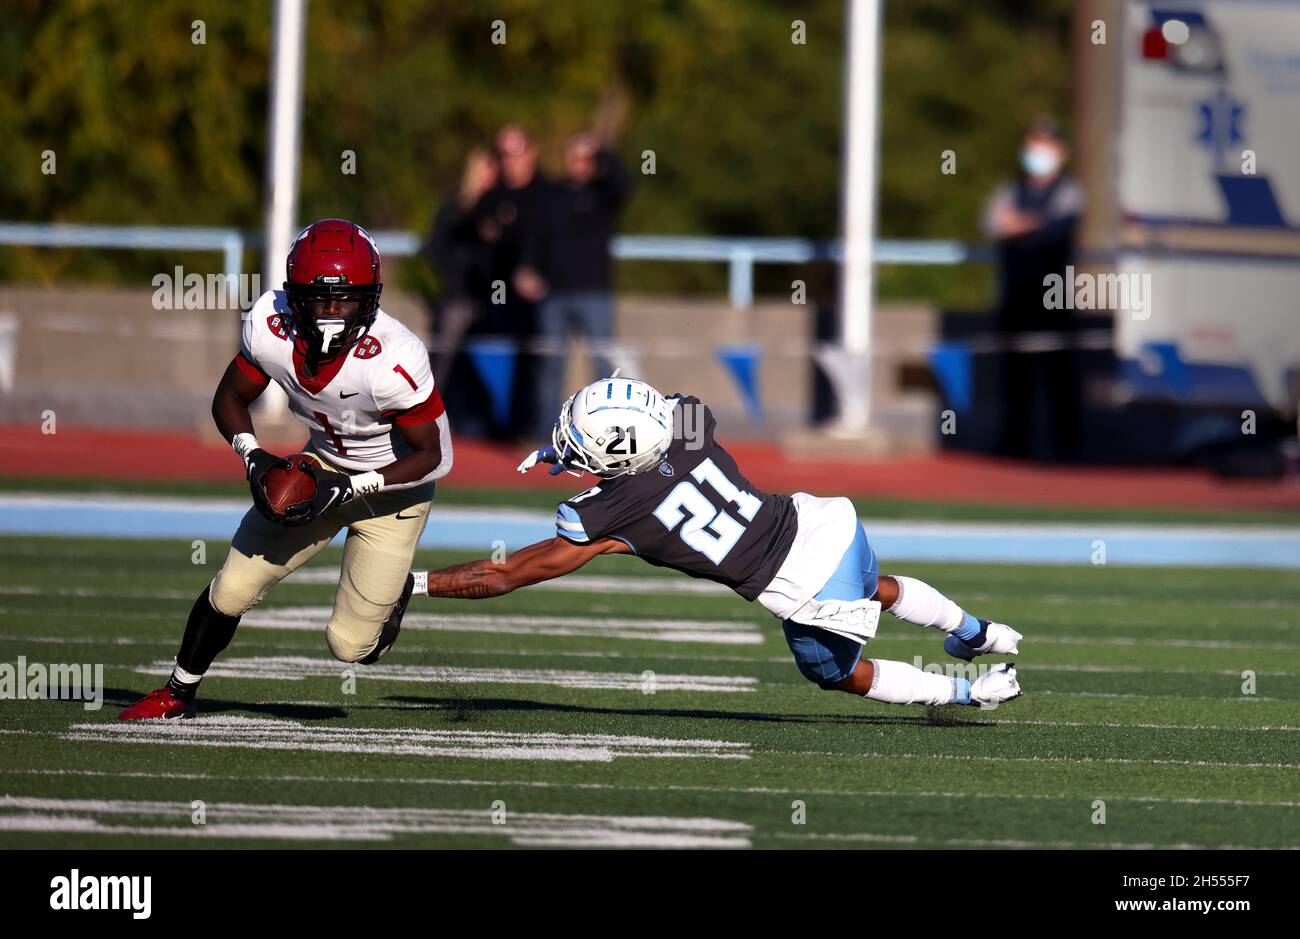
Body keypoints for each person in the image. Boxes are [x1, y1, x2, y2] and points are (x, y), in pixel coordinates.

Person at [408, 375, 1023, 710]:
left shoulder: (612, 511)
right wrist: (582, 448)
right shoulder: (688, 427)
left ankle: (974, 692)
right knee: (876, 587)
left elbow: (506, 574)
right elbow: (661, 422)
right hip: (826, 522)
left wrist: (412, 583)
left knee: (834, 674)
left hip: (800, 585)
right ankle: (975, 630)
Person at [119, 219, 454, 719]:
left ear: (371, 298)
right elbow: (229, 397)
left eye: (344, 300)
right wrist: (254, 458)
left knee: (350, 647)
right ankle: (177, 692)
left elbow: (433, 457)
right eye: (319, 300)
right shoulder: (270, 327)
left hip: (392, 491)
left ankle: (396, 594)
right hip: (318, 469)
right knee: (231, 588)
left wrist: (353, 486)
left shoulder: (394, 358)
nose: (330, 314)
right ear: (295, 295)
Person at [517, 133, 631, 438]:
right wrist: (526, 270)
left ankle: (606, 431)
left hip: (595, 292)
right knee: (550, 366)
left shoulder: (604, 194)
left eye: (586, 159)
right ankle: (547, 433)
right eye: (575, 157)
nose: (579, 164)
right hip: (553, 294)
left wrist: (600, 151)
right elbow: (535, 239)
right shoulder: (552, 196)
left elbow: (624, 182)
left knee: (603, 365)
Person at [982, 120, 1084, 461]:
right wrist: (1027, 224)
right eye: (1033, 144)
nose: (1038, 154)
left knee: (1059, 375)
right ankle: (1014, 445)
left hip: (1054, 297)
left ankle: (1066, 447)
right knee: (1015, 376)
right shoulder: (1010, 188)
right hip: (1016, 295)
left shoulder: (1069, 192)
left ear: (1061, 153)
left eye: (1046, 145)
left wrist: (1020, 224)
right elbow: (993, 223)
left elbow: (1057, 229)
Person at [474, 125, 549, 439]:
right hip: (495, 294)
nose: (509, 161)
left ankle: (534, 427)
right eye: (503, 154)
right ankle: (493, 427)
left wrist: (536, 273)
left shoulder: (547, 193)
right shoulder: (492, 196)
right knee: (489, 358)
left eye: (515, 153)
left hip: (538, 297)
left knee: (536, 362)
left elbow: (553, 243)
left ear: (531, 153)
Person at [424, 147, 500, 438]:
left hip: (488, 299)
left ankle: (466, 420)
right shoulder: (458, 205)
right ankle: (426, 419)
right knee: (444, 359)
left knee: (473, 365)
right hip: (458, 296)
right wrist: (455, 273)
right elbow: (437, 246)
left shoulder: (498, 206)